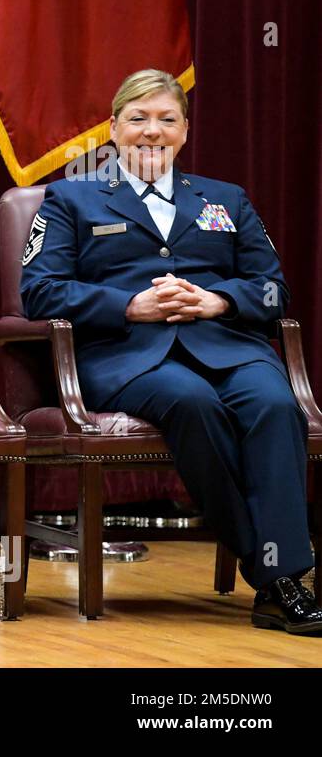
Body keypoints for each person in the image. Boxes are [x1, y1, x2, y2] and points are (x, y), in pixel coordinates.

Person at [22, 68, 321, 634]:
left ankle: (277, 577)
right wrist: (128, 306)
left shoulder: (226, 198)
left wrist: (216, 301)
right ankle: (280, 576)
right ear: (113, 129)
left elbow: (273, 288)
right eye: (138, 119)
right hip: (126, 354)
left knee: (276, 406)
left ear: (184, 130)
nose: (151, 132)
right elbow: (39, 291)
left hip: (228, 346)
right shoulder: (71, 198)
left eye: (166, 119)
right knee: (192, 402)